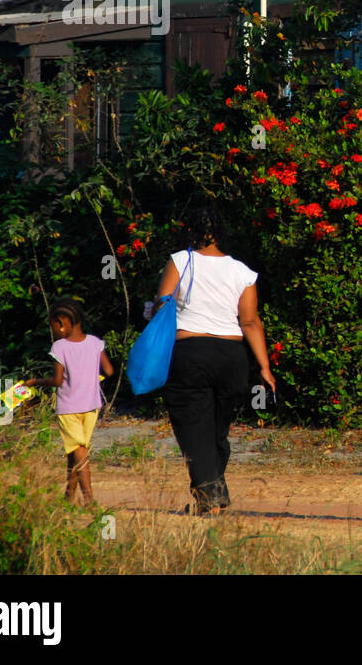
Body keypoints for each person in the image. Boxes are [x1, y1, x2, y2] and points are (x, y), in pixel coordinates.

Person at [153, 207, 275, 516]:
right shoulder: (242, 271)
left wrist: (150, 313)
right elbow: (250, 322)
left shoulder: (180, 260)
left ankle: (208, 497)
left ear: (190, 231)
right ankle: (213, 491)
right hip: (232, 356)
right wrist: (264, 367)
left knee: (193, 427)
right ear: (221, 233)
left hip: (190, 352)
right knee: (217, 430)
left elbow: (162, 306)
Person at [24, 299, 113, 504]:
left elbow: (57, 380)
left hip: (69, 408)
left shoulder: (60, 346)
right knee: (74, 453)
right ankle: (68, 497)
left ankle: (89, 500)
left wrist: (35, 382)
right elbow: (108, 371)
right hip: (92, 407)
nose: (54, 331)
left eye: (53, 326)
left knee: (79, 452)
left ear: (62, 322)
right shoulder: (95, 342)